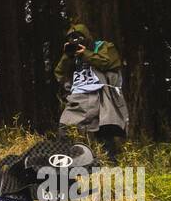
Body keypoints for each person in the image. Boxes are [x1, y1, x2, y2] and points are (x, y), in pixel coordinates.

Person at [53, 22, 128, 162]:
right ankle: (65, 163)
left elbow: (108, 62)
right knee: (65, 127)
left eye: (79, 38)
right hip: (79, 96)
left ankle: (110, 164)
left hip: (101, 94)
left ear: (87, 37)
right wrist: (67, 56)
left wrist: (85, 54)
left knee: (104, 131)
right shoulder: (71, 55)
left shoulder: (104, 46)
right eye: (72, 39)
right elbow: (59, 73)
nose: (76, 42)